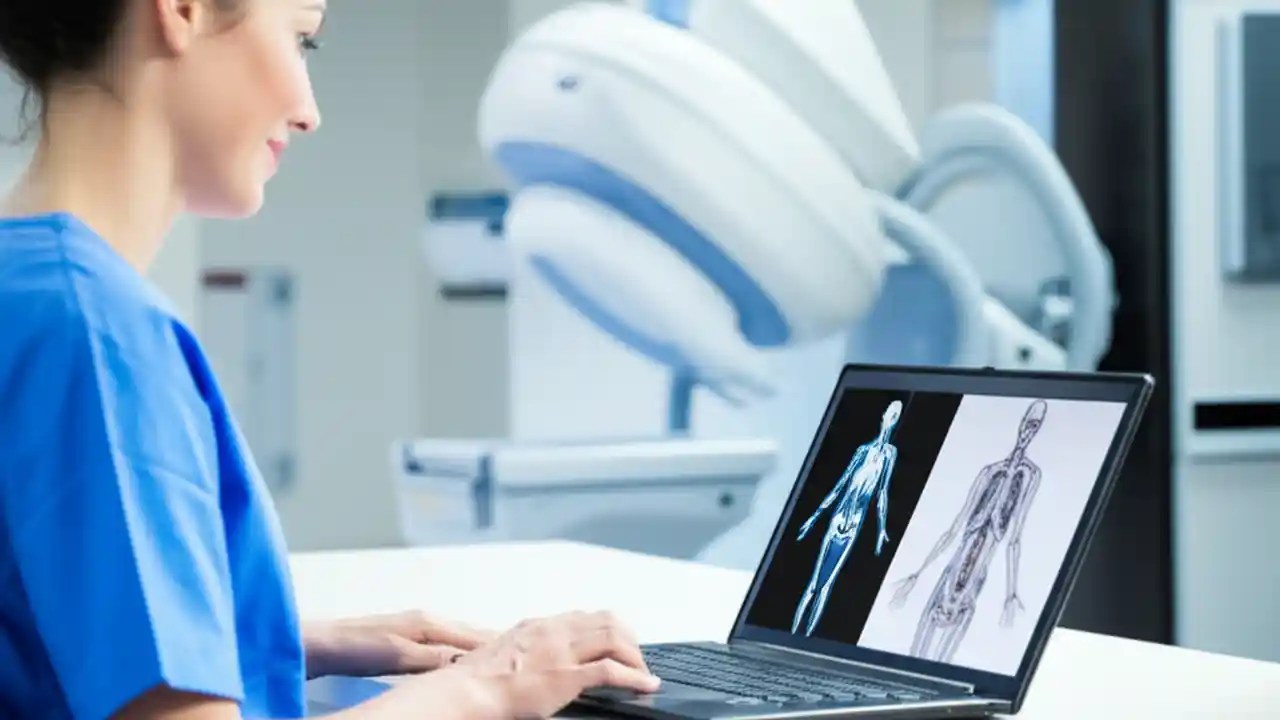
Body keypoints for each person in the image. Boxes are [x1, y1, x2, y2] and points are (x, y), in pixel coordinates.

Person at [0, 1, 661, 718]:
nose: (308, 111)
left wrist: (271, 640)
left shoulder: (28, 288)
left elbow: (38, 624)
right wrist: (490, 686)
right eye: (301, 40)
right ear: (183, 9)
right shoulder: (97, 334)